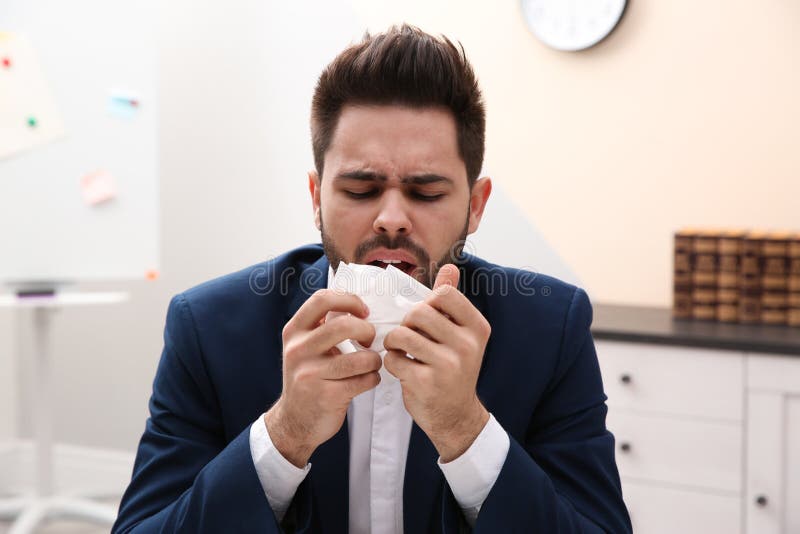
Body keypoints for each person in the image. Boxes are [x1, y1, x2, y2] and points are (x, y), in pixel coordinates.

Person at [113, 24, 631, 533]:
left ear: (475, 206)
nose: (391, 218)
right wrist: (286, 434)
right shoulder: (206, 328)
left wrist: (465, 429)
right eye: (361, 189)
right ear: (316, 198)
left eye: (426, 193)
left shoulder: (550, 329)